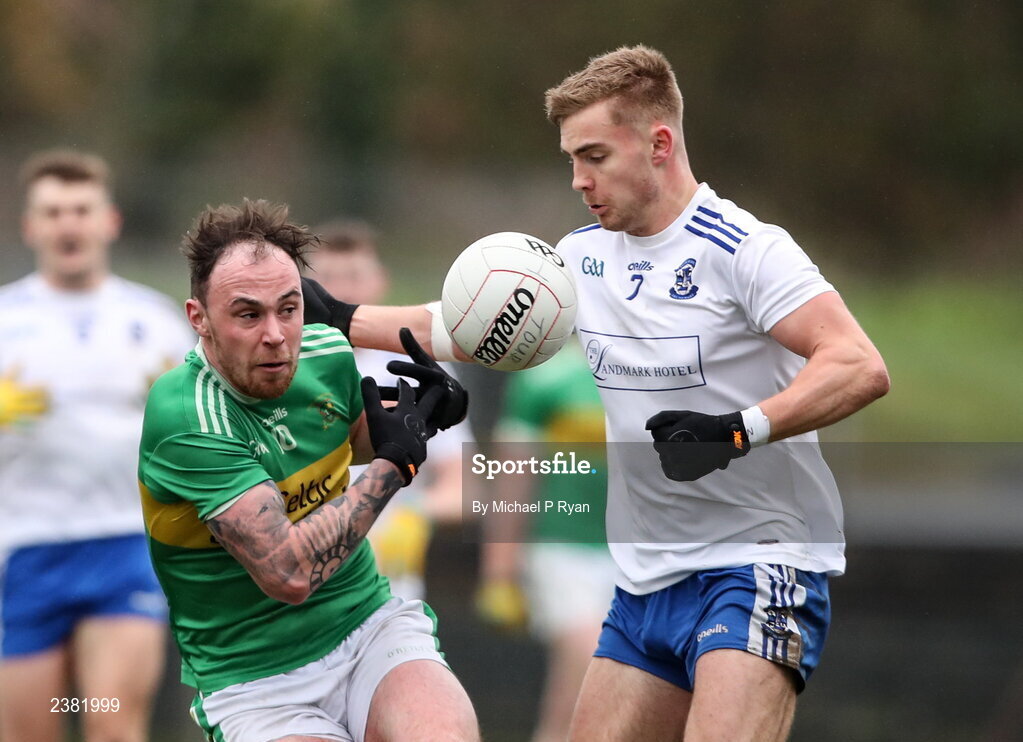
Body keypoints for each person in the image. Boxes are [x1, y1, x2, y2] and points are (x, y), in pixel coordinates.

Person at [539, 46, 891, 741]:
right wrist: (332, 317)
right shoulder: (581, 255)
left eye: (594, 156)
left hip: (755, 564)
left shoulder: (742, 247)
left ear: (658, 143)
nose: (578, 180)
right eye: (570, 160)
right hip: (644, 584)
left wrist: (734, 430)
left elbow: (857, 364)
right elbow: (459, 321)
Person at [137, 199, 479, 742]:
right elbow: (289, 574)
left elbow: (348, 440)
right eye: (248, 314)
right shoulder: (186, 415)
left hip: (367, 625)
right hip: (256, 681)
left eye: (289, 308)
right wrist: (396, 464)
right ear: (198, 318)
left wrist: (419, 417)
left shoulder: (323, 351)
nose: (276, 334)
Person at [0, 150, 194, 742]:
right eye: (53, 212)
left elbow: (207, 431)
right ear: (31, 226)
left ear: (108, 220)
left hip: (122, 544)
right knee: (35, 733)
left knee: (111, 725)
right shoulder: (4, 319)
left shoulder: (157, 322)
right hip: (25, 550)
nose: (68, 225)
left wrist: (175, 412)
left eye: (80, 209)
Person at [304, 219, 472, 601]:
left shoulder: (417, 365)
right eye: (327, 276)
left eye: (354, 276)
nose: (342, 289)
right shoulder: (283, 365)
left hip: (390, 590)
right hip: (308, 576)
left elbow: (462, 482)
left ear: (380, 281)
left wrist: (414, 512)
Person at [476, 342, 616, 742]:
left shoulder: (661, 376)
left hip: (641, 555)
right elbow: (512, 477)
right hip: (561, 547)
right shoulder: (546, 379)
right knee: (590, 657)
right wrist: (499, 574)